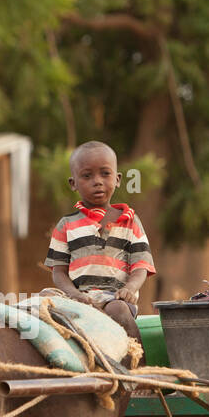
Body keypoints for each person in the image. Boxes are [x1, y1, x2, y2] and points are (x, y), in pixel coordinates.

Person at [44, 141, 154, 340]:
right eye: (87, 176)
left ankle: (139, 361)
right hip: (78, 298)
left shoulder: (130, 221)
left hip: (114, 297)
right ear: (73, 183)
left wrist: (129, 289)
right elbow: (58, 272)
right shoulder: (66, 225)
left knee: (118, 311)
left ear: (118, 179)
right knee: (42, 302)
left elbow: (141, 267)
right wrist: (74, 294)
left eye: (105, 173)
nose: (98, 181)